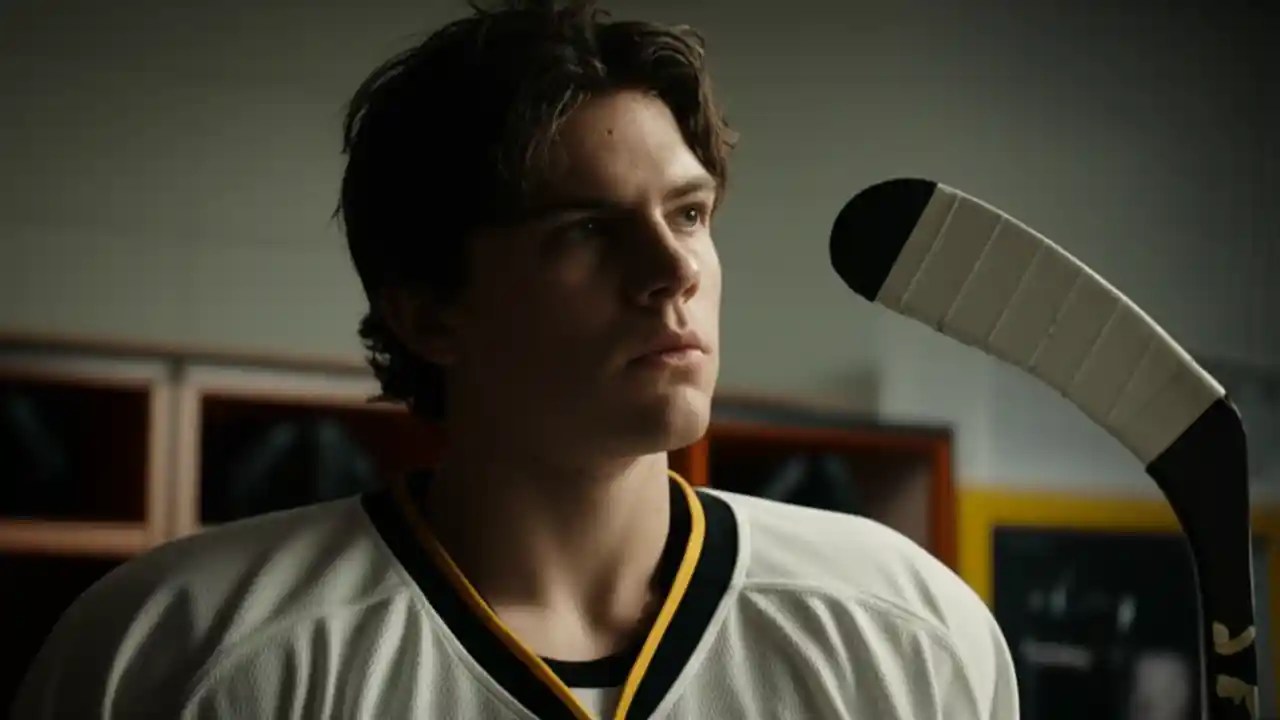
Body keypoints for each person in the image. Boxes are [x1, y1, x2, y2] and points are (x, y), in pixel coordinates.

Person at [12, 1, 1019, 718]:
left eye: (689, 214)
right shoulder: (184, 653)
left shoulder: (905, 629)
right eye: (585, 230)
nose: (674, 271)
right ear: (427, 312)